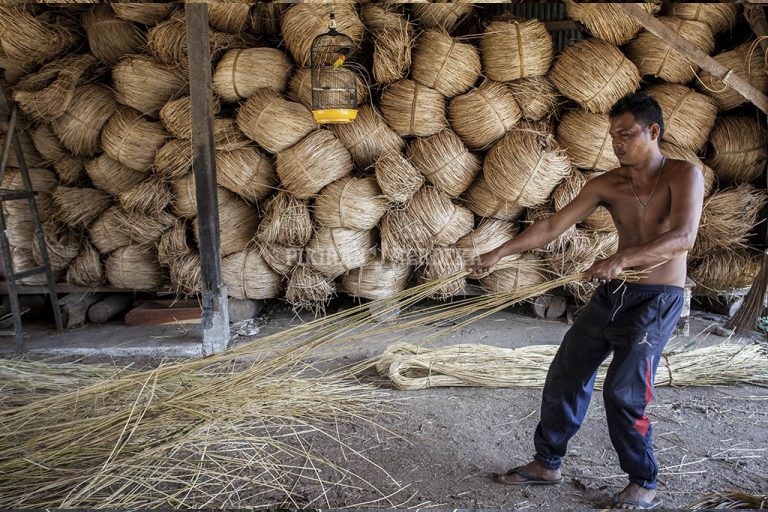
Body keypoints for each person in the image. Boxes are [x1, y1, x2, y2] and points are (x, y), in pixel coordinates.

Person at [469, 92, 704, 510]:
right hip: (613, 294)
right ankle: (547, 462)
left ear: (653, 131)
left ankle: (643, 480)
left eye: (626, 134)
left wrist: (621, 258)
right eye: (613, 135)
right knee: (566, 372)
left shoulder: (684, 175)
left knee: (623, 391)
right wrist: (498, 253)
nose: (617, 143)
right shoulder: (606, 184)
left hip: (657, 299)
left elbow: (683, 238)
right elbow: (552, 225)